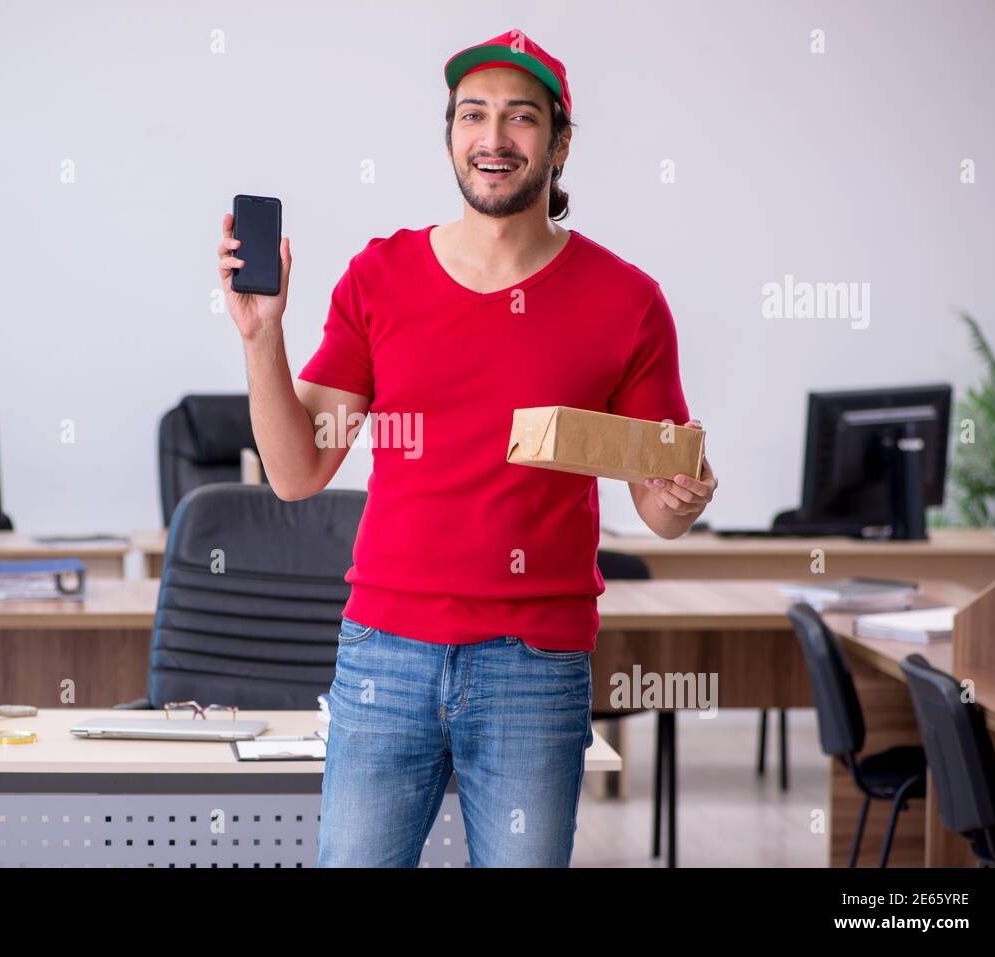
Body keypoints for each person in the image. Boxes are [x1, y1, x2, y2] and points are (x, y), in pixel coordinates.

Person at [215, 28, 718, 867]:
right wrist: (261, 337)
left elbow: (659, 507)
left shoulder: (628, 301)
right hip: (384, 653)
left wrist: (681, 497)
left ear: (559, 143)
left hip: (535, 666)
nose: (494, 138)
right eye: (473, 115)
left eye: (521, 118)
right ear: (450, 134)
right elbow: (299, 471)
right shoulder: (380, 276)